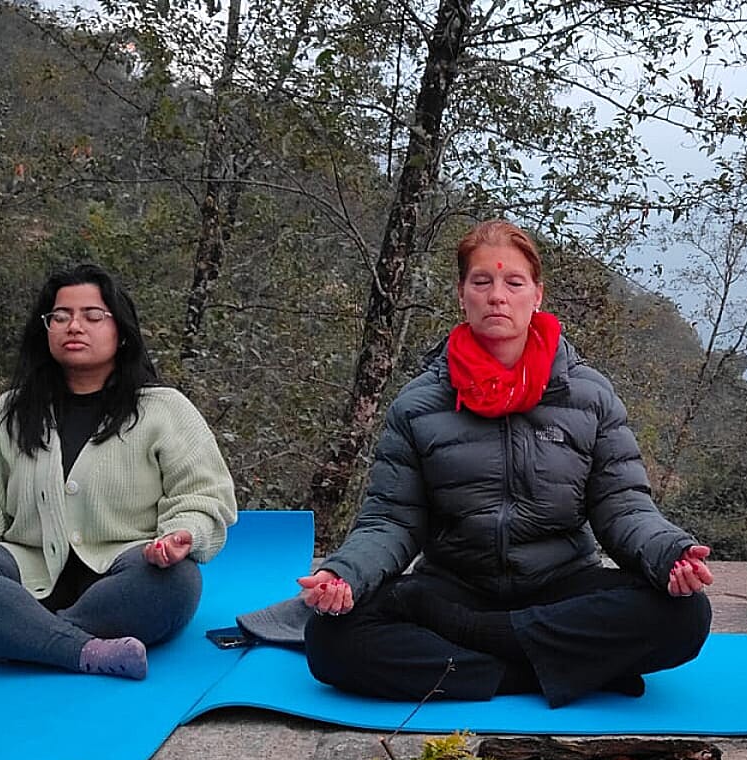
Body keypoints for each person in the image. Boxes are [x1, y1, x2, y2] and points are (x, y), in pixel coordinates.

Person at [298, 219, 713, 708]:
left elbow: (622, 505)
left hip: (560, 585)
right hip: (454, 588)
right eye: (482, 281)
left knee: (686, 617)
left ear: (536, 295)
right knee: (329, 640)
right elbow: (391, 518)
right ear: (462, 295)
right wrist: (347, 573)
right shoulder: (419, 404)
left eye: (513, 282)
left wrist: (670, 554)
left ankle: (479, 658)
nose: (498, 296)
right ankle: (554, 668)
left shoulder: (588, 395)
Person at [0, 263, 237, 679]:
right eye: (61, 316)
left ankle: (8, 643)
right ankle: (83, 650)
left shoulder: (164, 411)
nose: (74, 326)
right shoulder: (12, 412)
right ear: (47, 329)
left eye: (93, 316)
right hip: (26, 575)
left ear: (121, 331)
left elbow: (202, 495)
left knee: (177, 582)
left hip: (125, 574)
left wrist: (181, 534)